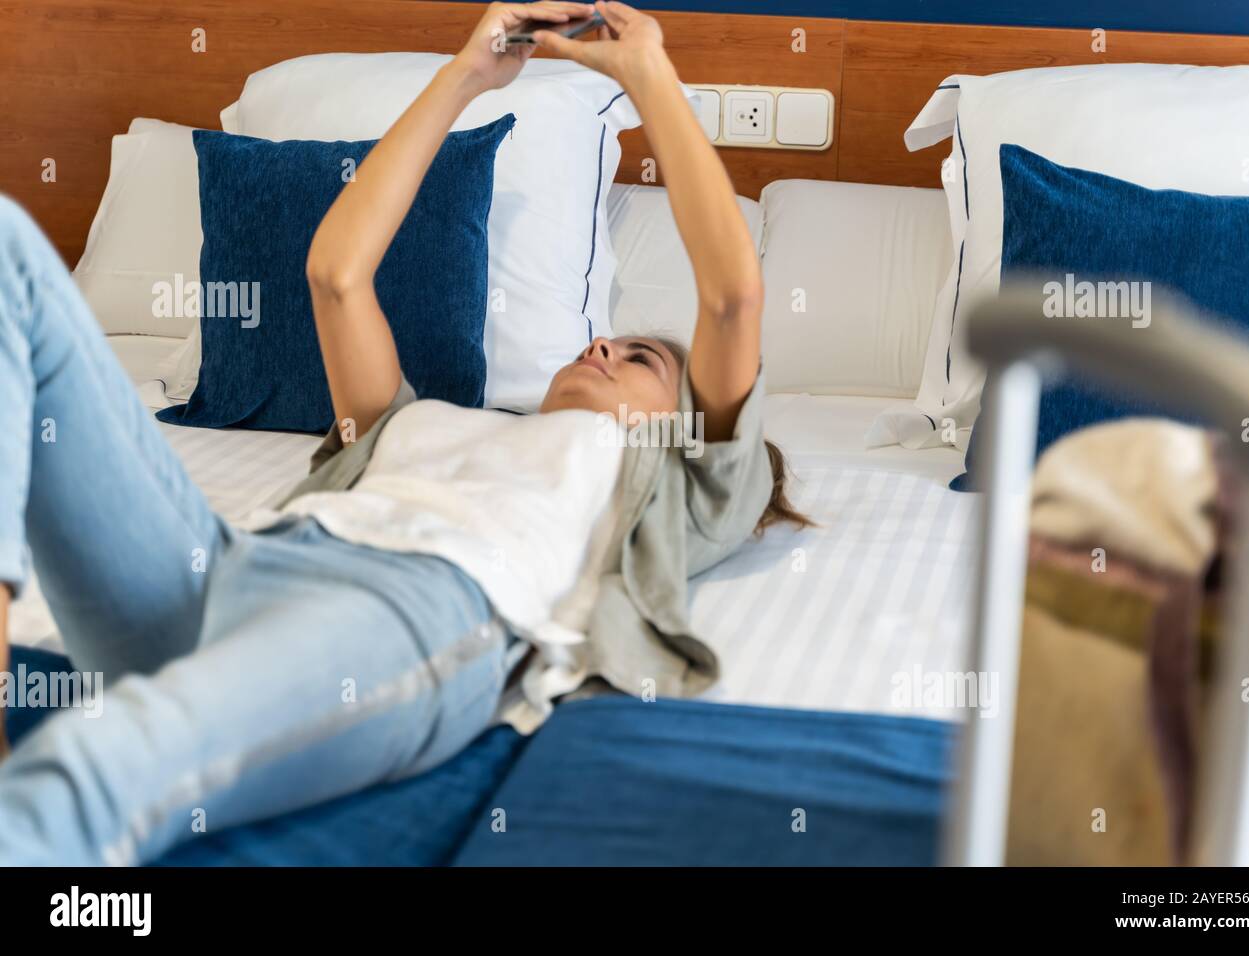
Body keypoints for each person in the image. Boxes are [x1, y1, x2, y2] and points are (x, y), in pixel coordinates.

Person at [0, 1, 807, 865]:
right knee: (12, 245)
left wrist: (649, 71)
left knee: (96, 762)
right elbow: (335, 274)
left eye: (643, 357)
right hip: (233, 570)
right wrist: (465, 75)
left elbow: (731, 298)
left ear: (687, 429)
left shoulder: (679, 483)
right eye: (609, 337)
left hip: (410, 609)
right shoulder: (421, 421)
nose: (603, 342)